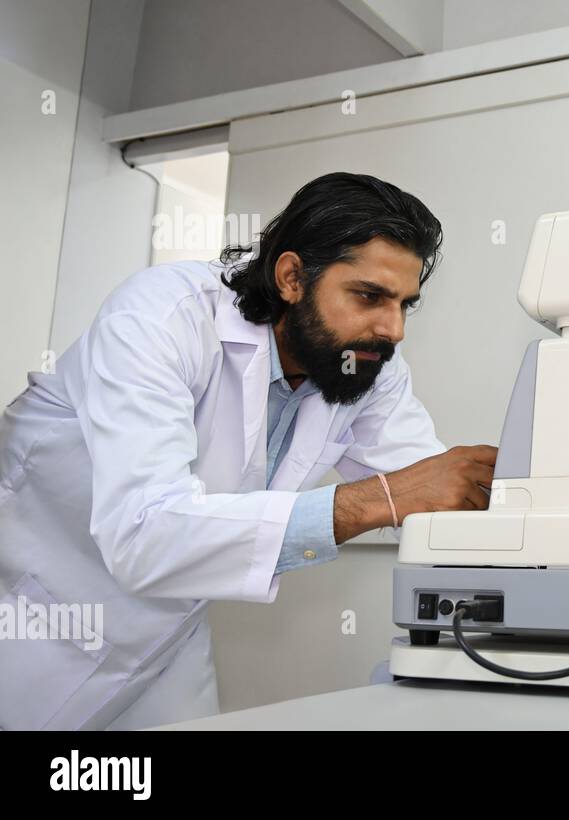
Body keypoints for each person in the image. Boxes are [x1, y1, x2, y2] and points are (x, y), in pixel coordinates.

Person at [0, 172, 496, 730]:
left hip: (166, 635)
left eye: (406, 303)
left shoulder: (367, 362)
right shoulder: (162, 317)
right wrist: (371, 502)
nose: (394, 328)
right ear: (291, 277)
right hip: (31, 613)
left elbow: (430, 493)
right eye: (369, 296)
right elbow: (144, 532)